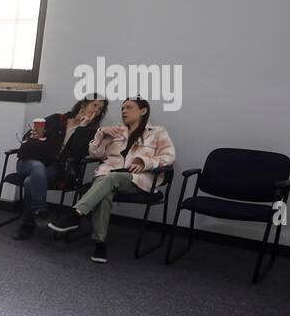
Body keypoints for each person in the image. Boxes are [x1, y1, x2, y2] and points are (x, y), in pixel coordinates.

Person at [48, 98, 176, 263]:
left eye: (129, 107)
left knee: (111, 178)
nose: (124, 111)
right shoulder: (116, 131)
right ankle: (100, 244)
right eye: (122, 108)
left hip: (136, 179)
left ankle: (76, 214)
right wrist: (100, 133)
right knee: (106, 190)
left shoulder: (157, 132)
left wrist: (145, 162)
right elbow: (95, 154)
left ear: (143, 111)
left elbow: (169, 156)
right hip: (108, 176)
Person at [12, 96, 108, 240]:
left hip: (54, 167)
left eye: (100, 109)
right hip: (28, 162)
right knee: (36, 167)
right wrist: (33, 135)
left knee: (29, 182)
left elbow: (77, 152)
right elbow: (30, 136)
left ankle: (28, 223)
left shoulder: (91, 131)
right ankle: (39, 210)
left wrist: (82, 128)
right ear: (83, 104)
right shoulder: (57, 118)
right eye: (95, 105)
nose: (97, 110)